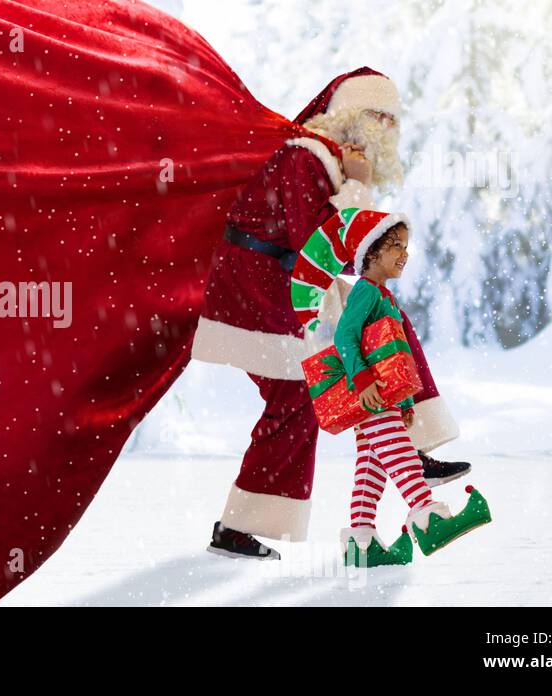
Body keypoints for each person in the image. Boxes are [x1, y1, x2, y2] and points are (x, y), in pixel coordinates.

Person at [197, 68, 472, 561]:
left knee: (383, 325)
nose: (382, 125)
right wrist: (359, 189)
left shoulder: (324, 161)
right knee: (305, 390)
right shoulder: (309, 157)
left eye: (390, 117)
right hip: (257, 288)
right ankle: (239, 528)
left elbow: (330, 251)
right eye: (373, 113)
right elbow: (326, 246)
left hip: (275, 284)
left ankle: (409, 453)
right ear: (345, 114)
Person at [310, 208, 492, 565]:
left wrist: (406, 401)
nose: (403, 254)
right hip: (372, 393)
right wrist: (362, 380)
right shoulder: (366, 291)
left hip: (384, 395)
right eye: (394, 245)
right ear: (369, 253)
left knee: (371, 467)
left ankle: (361, 545)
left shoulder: (383, 296)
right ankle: (428, 515)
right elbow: (347, 335)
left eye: (406, 246)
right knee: (402, 455)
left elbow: (394, 352)